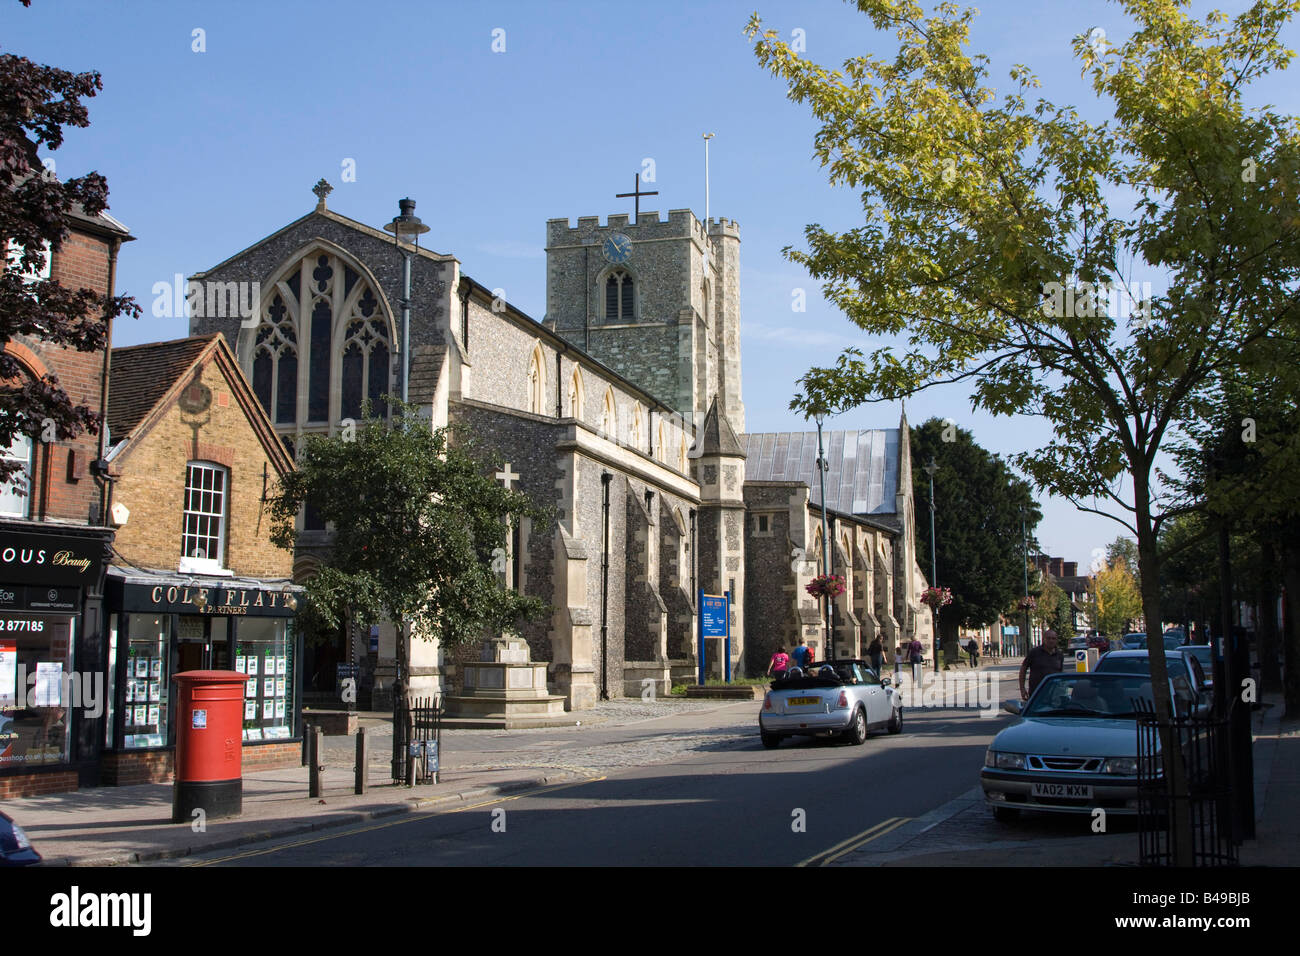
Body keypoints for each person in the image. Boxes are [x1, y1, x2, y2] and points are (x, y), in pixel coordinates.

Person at [1019, 629, 1063, 700]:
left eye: (1053, 638)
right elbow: (1023, 669)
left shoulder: (1059, 655)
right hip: (1037, 693)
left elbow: (1060, 674)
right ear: (1043, 639)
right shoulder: (1034, 652)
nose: (1051, 641)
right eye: (1048, 638)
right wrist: (1022, 689)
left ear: (1056, 640)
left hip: (1055, 694)